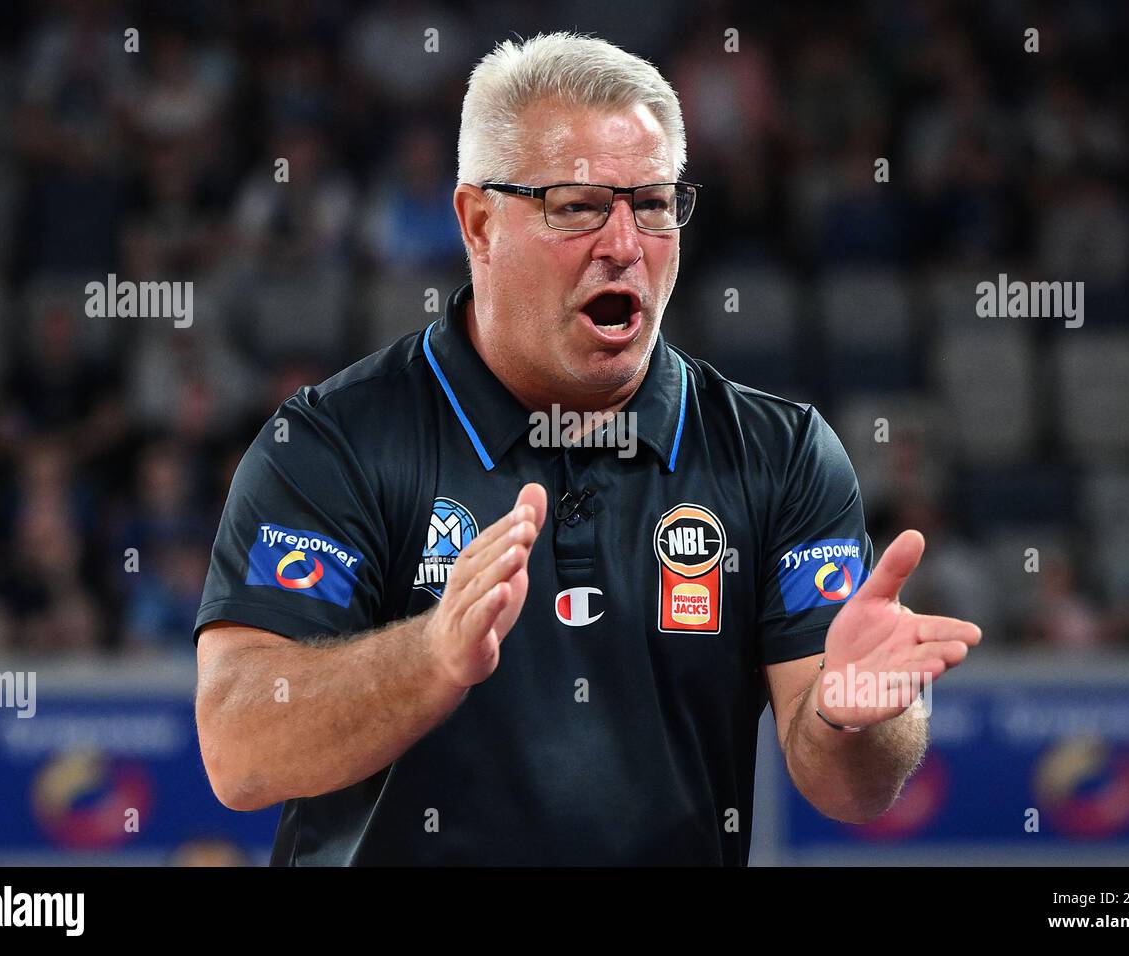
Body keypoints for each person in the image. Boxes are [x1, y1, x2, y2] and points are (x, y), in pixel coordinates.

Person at [194, 31, 982, 865]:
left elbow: (848, 787)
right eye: (576, 207)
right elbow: (240, 750)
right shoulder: (335, 442)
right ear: (479, 221)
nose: (624, 244)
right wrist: (428, 657)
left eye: (651, 204)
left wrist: (856, 715)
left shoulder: (779, 455)